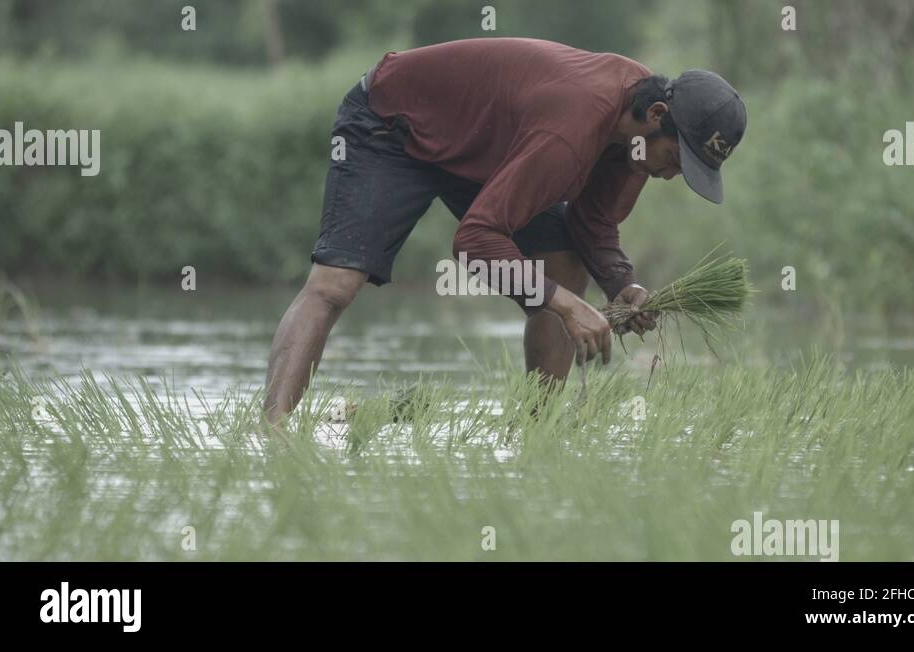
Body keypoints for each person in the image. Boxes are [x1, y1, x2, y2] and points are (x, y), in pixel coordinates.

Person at [264, 37, 746, 425]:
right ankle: (273, 431)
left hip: (489, 146)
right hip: (392, 123)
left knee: (565, 261)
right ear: (658, 117)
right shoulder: (572, 131)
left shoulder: (636, 139)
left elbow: (592, 223)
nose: (672, 175)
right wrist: (565, 304)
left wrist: (624, 285)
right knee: (334, 285)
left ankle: (537, 433)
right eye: (676, 159)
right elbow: (474, 243)